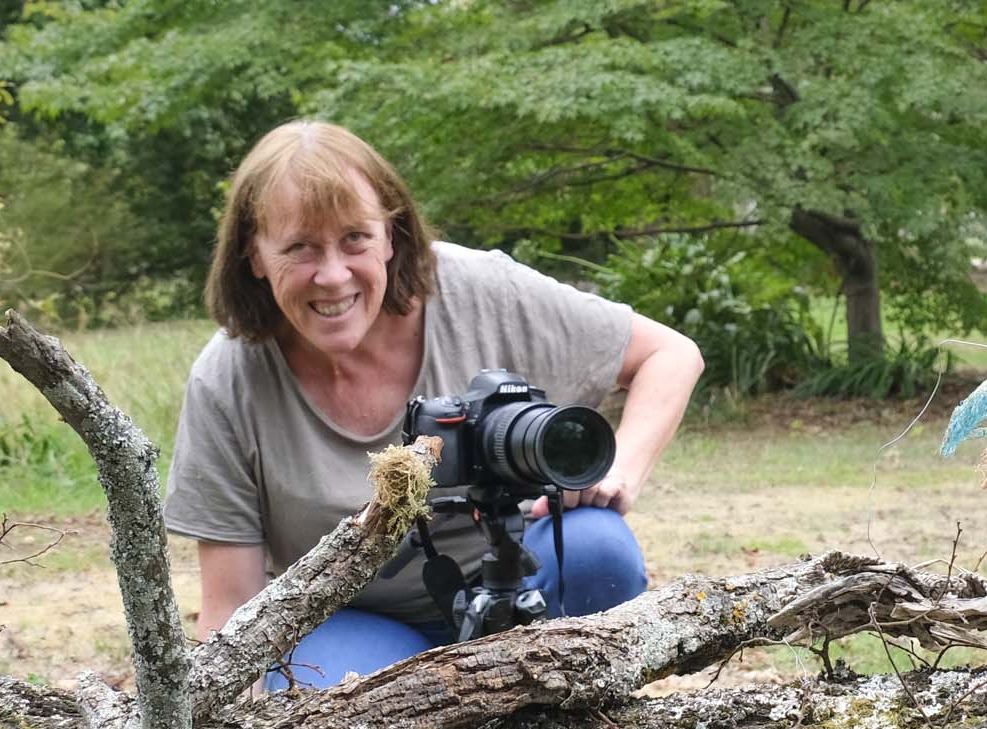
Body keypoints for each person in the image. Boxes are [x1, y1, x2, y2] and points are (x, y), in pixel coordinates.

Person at [163, 120, 704, 689]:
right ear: (253, 254)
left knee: (599, 550)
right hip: (352, 622)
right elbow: (233, 612)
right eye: (300, 247)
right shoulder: (228, 377)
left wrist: (622, 469)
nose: (332, 274)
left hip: (515, 575)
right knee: (316, 687)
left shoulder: (480, 291)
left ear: (392, 235)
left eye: (356, 239)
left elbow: (670, 354)